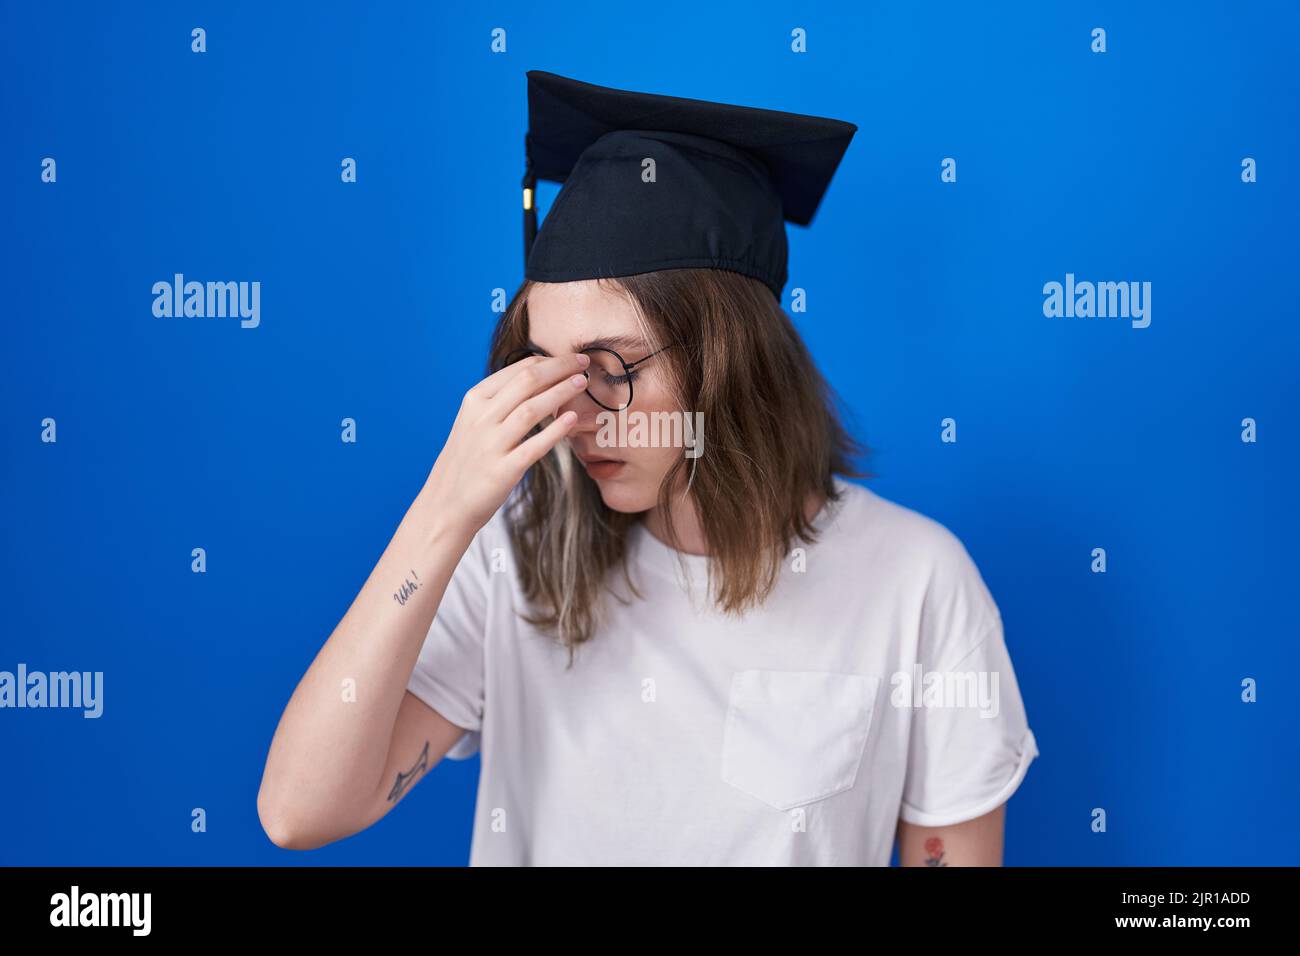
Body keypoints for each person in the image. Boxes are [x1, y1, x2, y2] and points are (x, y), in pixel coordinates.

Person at [257, 71, 1039, 866]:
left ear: (729, 359)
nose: (575, 417)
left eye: (611, 367)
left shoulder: (916, 583)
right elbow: (299, 812)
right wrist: (442, 515)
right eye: (546, 370)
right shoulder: (515, 560)